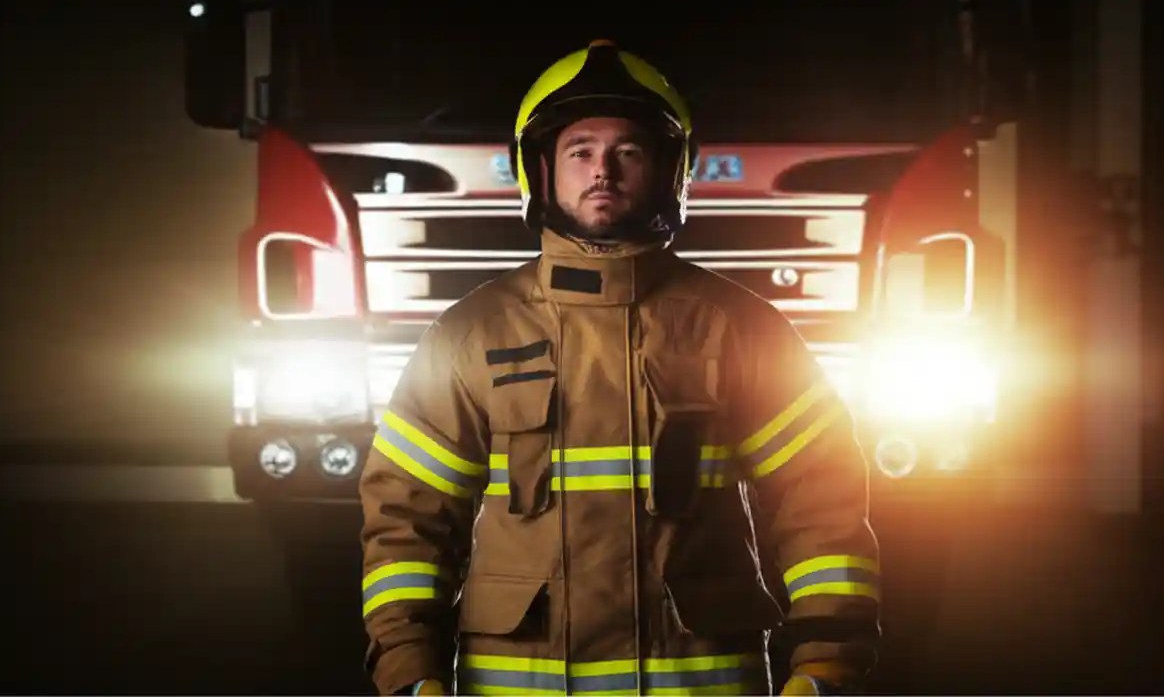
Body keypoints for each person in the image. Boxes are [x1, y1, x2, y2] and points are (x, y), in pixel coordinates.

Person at [358, 39, 881, 696]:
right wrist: (410, 671)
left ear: (668, 170)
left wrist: (827, 662)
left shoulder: (740, 329)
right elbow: (406, 524)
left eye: (626, 151)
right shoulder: (470, 336)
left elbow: (820, 500)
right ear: (540, 169)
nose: (601, 170)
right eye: (580, 151)